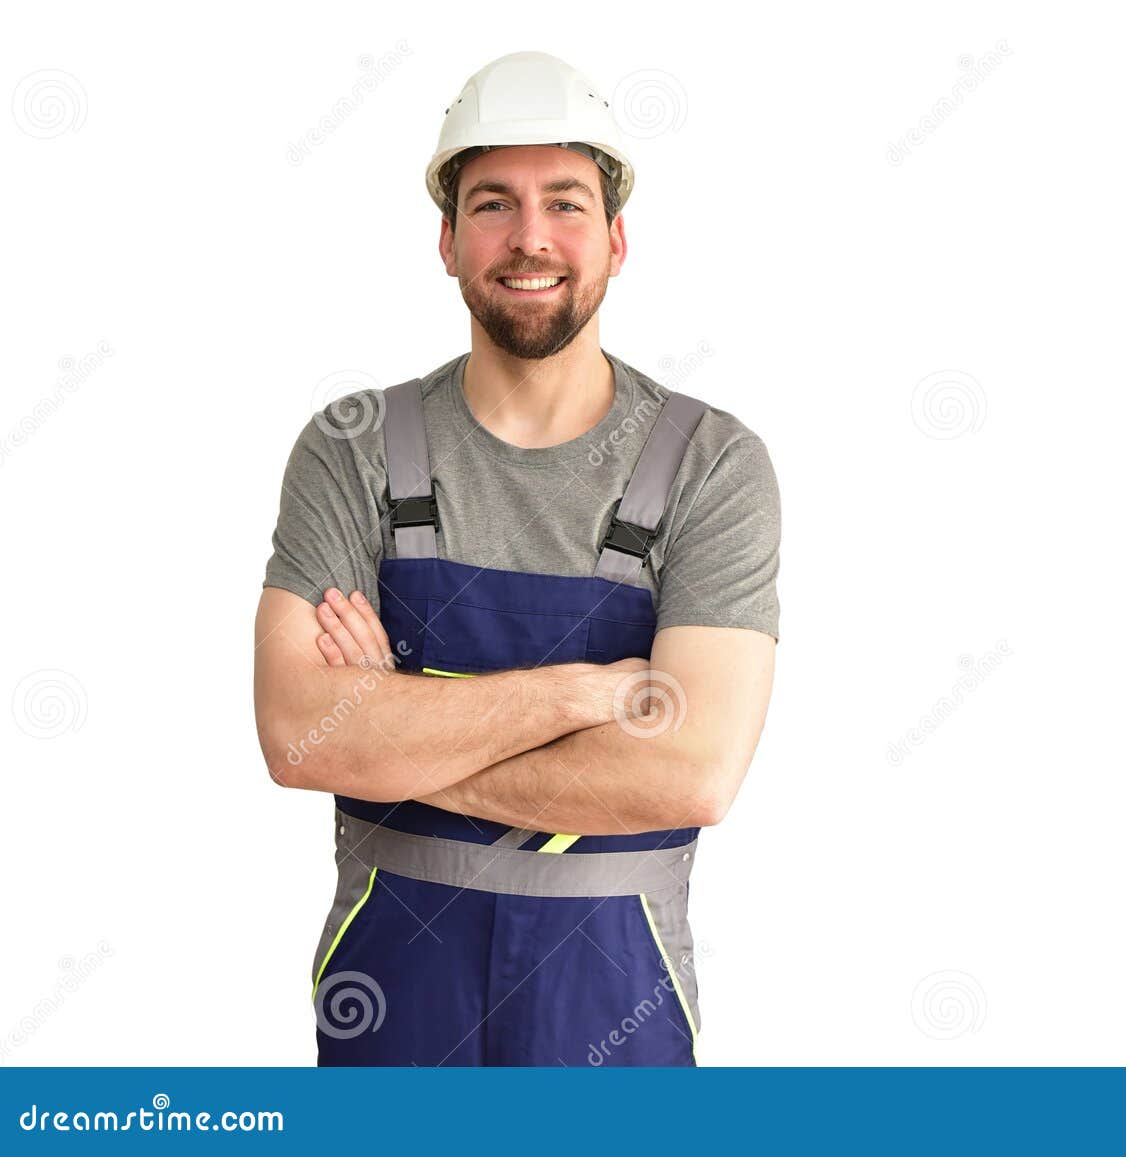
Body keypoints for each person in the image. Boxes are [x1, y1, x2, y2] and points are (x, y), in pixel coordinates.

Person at [251, 51, 780, 1067]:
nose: (530, 238)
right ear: (446, 241)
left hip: (616, 1026)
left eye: (565, 204)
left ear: (616, 240)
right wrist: (580, 696)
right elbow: (296, 736)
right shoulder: (353, 446)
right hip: (390, 1025)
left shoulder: (711, 464)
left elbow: (694, 773)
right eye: (492, 203)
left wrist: (396, 722)